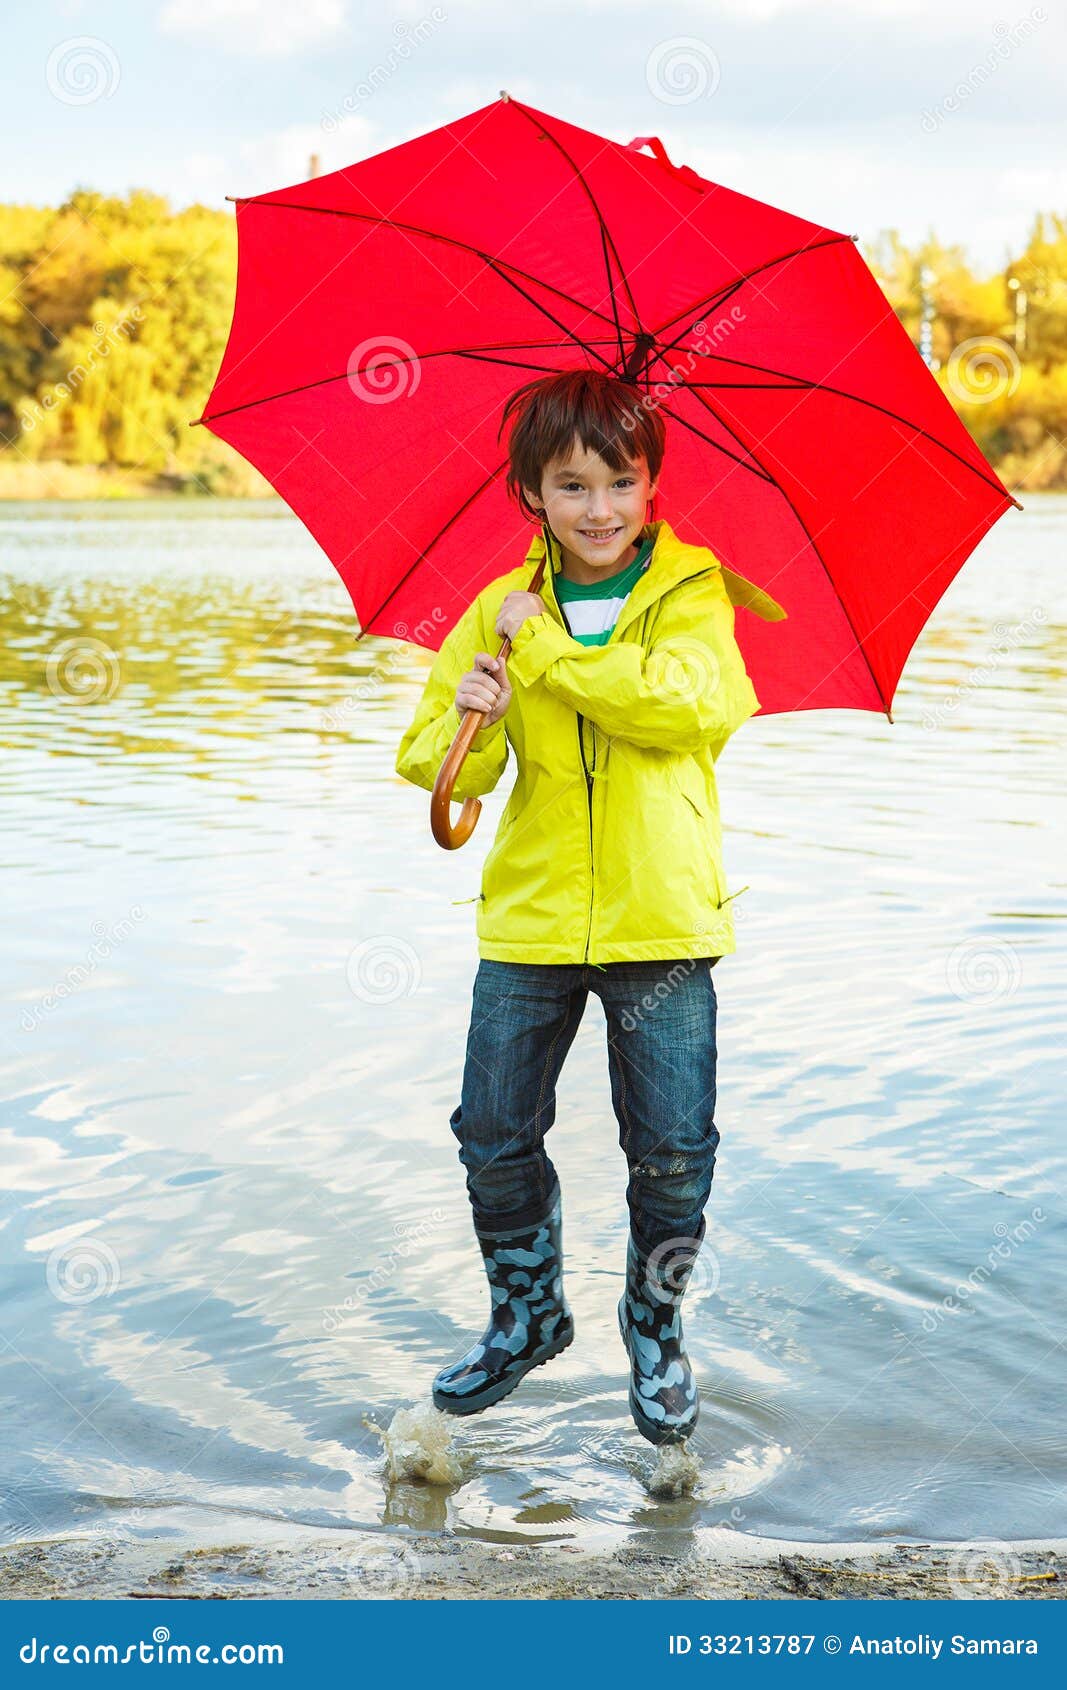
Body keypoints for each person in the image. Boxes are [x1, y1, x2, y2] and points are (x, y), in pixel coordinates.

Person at [394, 368, 761, 1445]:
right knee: (492, 1132)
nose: (597, 509)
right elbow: (434, 767)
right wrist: (477, 714)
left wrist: (548, 654)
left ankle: (654, 1325)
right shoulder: (496, 612)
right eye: (569, 485)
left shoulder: (695, 594)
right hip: (531, 920)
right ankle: (526, 1311)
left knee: (674, 1147)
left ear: (650, 486)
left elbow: (685, 709)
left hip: (662, 920)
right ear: (531, 494)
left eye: (620, 481)